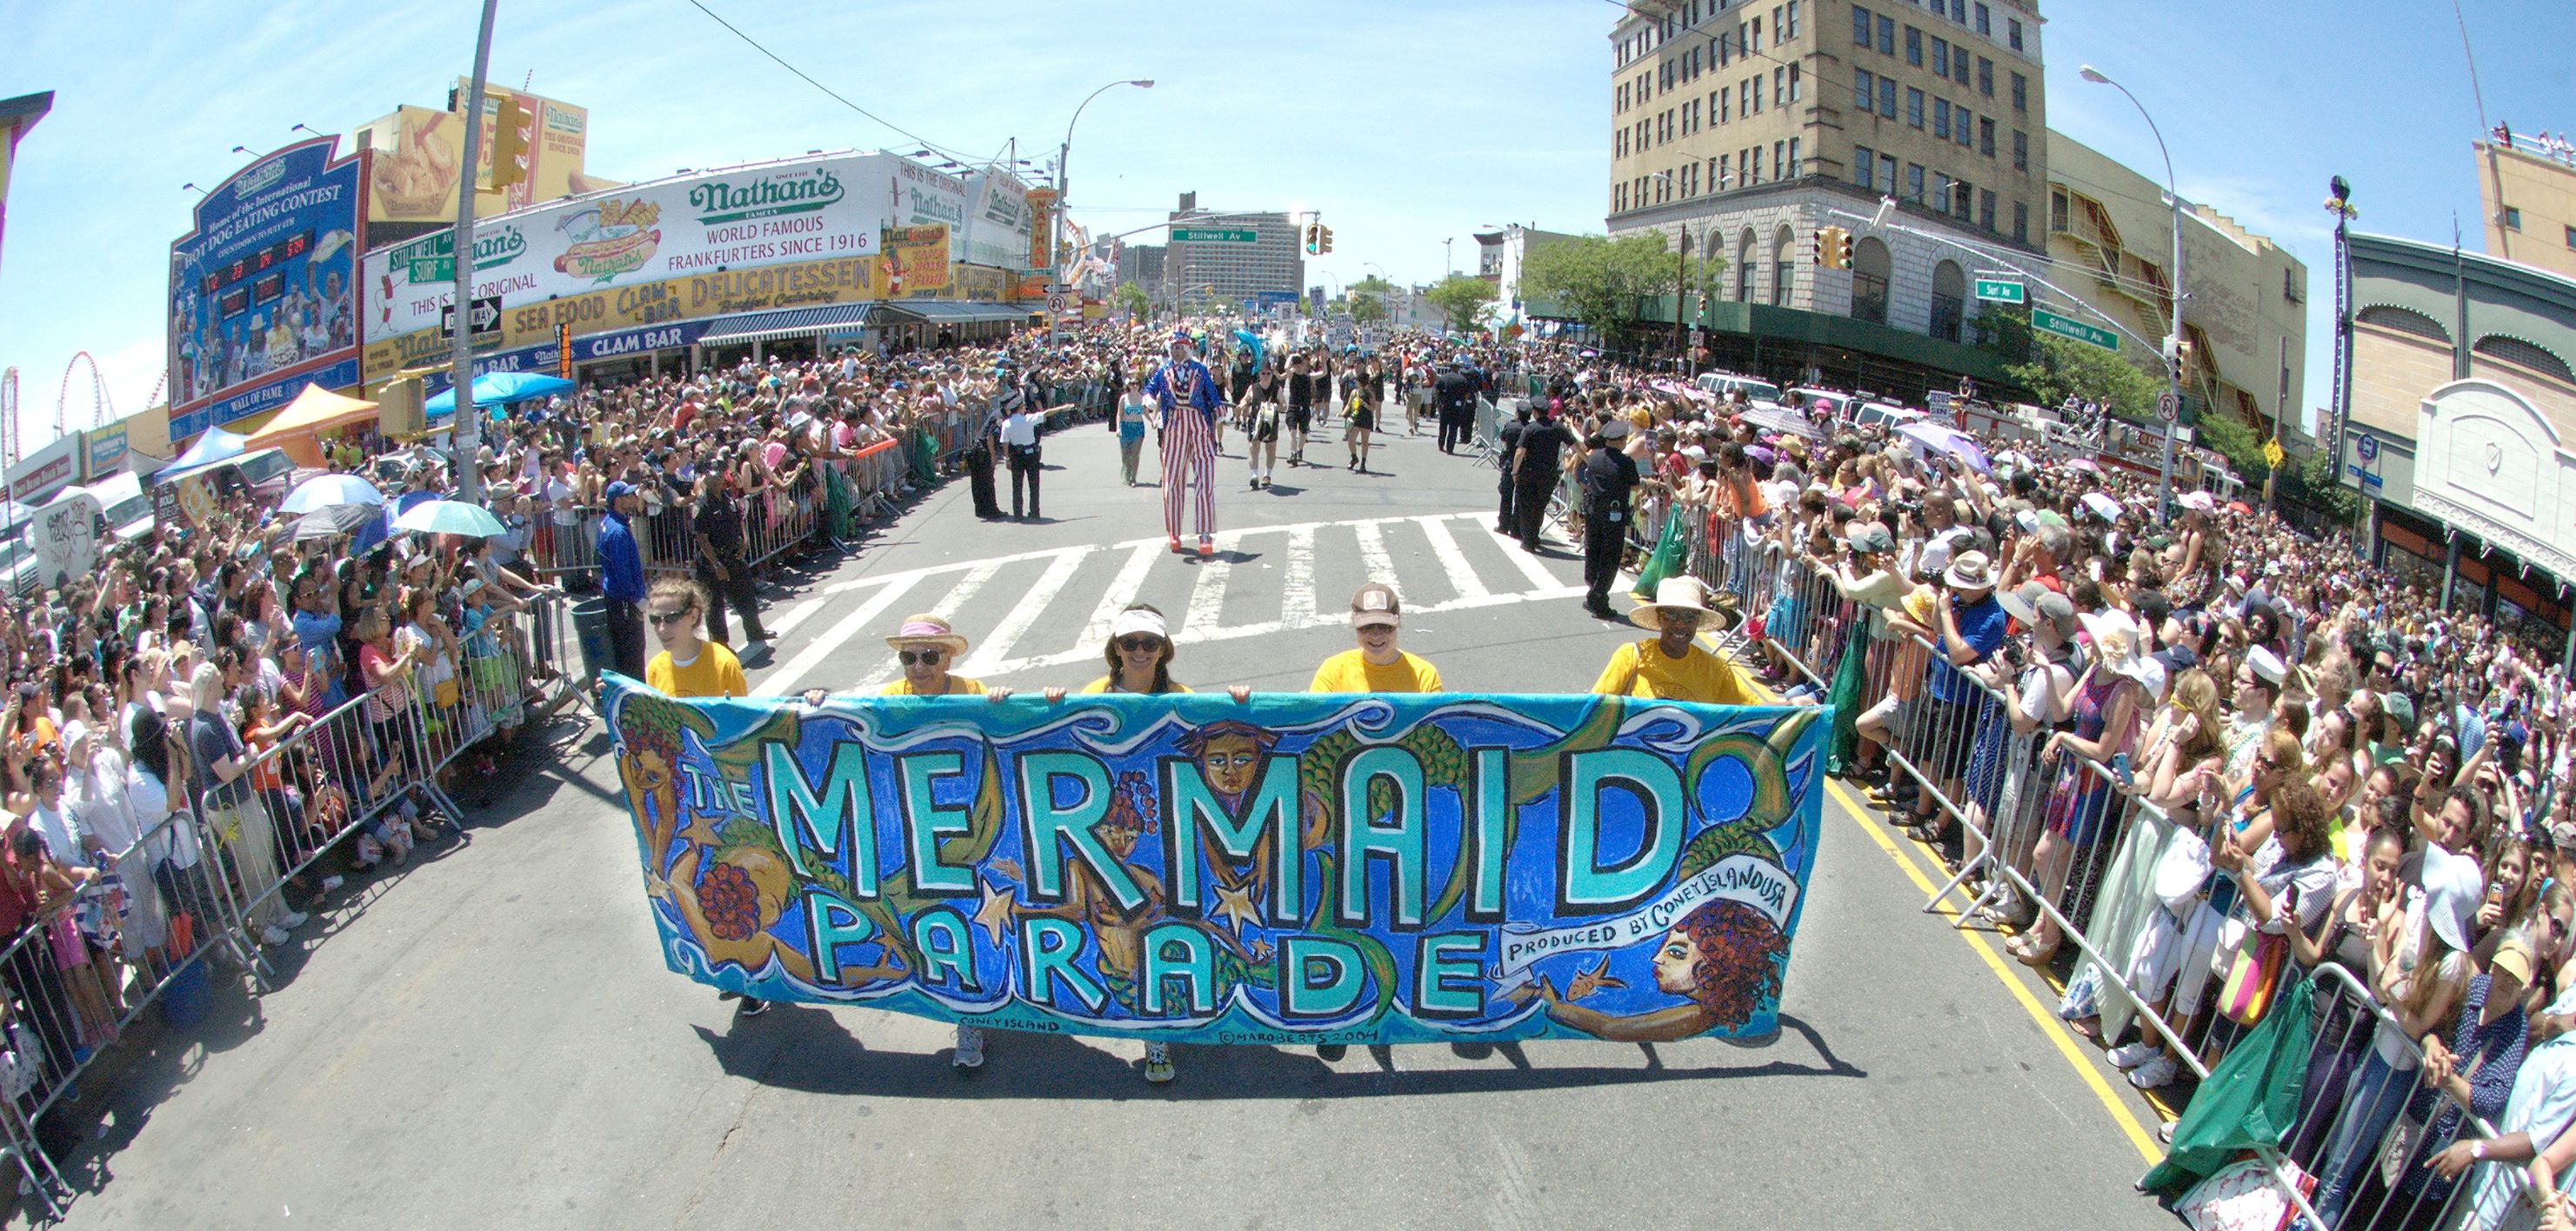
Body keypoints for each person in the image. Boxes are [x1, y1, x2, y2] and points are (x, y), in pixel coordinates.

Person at [797, 614, 1014, 1068]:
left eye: (930, 656)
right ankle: (959, 1009)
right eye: (908, 657)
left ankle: (971, 1020)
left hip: (965, 830)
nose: (919, 666)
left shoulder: (970, 693)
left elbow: (1004, 731)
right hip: (912, 832)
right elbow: (850, 731)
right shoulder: (888, 699)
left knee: (968, 920)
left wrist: (1003, 703)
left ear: (949, 656)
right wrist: (819, 703)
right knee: (927, 925)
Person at [1307, 581, 1438, 1062]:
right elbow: (1309, 728)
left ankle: (1393, 1003)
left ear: (1398, 623)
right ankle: (1337, 1010)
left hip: (1402, 821)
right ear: (1354, 625)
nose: (1376, 635)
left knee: (1399, 913)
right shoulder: (1334, 671)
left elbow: (1439, 733)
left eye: (1384, 626)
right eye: (1367, 627)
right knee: (1339, 914)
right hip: (1344, 819)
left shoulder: (1425, 675)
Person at [1592, 577, 1755, 703]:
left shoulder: (1716, 670)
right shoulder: (1630, 656)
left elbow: (1758, 710)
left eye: (1689, 616)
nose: (1680, 624)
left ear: (1697, 621)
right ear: (1659, 617)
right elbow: (1592, 710)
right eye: (1671, 614)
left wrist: (1782, 708)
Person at [1144, 331, 1223, 557]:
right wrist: (1148, 399)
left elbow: (1211, 392)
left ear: (1188, 349)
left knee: (1205, 477)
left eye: (1180, 348)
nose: (1176, 352)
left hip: (1198, 421)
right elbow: (1150, 388)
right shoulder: (1163, 370)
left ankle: (1205, 533)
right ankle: (1174, 531)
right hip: (1175, 423)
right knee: (1172, 480)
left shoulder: (1199, 370)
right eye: (1173, 348)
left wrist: (1219, 410)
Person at [690, 473, 769, 663]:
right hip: (713, 561)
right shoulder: (702, 505)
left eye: (720, 476)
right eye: (714, 476)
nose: (719, 479)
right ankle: (721, 645)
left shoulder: (728, 498)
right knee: (715, 605)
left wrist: (745, 540)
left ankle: (755, 631)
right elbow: (701, 537)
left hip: (734, 555)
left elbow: (739, 520)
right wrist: (716, 563)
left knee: (746, 594)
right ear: (707, 480)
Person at [1578, 417, 1642, 620]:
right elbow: (1635, 485)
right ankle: (1599, 594)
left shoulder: (1595, 456)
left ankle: (1594, 590)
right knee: (1610, 555)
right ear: (1622, 440)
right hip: (1613, 514)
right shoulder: (1625, 462)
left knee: (1593, 550)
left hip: (1594, 510)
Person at [598, 480, 648, 680]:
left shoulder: (608, 522)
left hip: (616, 596)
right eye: (630, 495)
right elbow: (623, 570)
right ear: (618, 501)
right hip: (624, 600)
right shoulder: (617, 531)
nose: (635, 498)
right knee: (632, 652)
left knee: (625, 651)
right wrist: (637, 598)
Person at [1510, 409, 1577, 554]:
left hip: (1530, 473)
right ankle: (1533, 535)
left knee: (1527, 506)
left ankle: (1529, 539)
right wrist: (1588, 459)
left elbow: (1520, 452)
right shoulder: (1558, 427)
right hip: (1548, 474)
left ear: (1535, 412)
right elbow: (1574, 444)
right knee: (1539, 506)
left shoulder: (1530, 428)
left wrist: (1515, 472)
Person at [999, 389, 1043, 520]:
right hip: (1031, 454)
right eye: (1023, 406)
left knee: (1017, 485)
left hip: (1016, 456)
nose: (1025, 409)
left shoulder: (1006, 423)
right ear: (1019, 408)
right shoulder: (1028, 419)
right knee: (1034, 485)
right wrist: (1063, 408)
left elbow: (1005, 443)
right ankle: (1035, 511)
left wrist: (1007, 458)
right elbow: (1045, 414)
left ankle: (1018, 514)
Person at [1112, 369, 1152, 487]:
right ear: (1128, 385)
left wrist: (1152, 421)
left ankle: (1133, 477)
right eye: (1132, 383)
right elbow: (1119, 414)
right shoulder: (1124, 398)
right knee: (1125, 455)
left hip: (1138, 428)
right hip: (1125, 427)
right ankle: (1127, 472)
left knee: (1135, 454)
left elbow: (1145, 412)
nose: (1134, 386)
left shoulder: (1142, 398)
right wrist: (1118, 428)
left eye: (1137, 383)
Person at [1496, 403, 1530, 533]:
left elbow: (1503, 439)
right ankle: (1516, 527)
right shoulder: (1529, 428)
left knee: (1506, 495)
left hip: (1510, 462)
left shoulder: (1510, 426)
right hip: (1524, 464)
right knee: (1520, 497)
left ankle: (1503, 525)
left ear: (1517, 414)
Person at [1345, 356, 1380, 473]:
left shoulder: (1370, 393)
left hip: (1366, 418)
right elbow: (1349, 405)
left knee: (1365, 441)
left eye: (1357, 381)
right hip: (1355, 417)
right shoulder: (1354, 392)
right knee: (1351, 439)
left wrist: (1364, 404)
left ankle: (1363, 463)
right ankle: (1354, 456)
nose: (1355, 382)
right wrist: (1343, 413)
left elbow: (1373, 407)